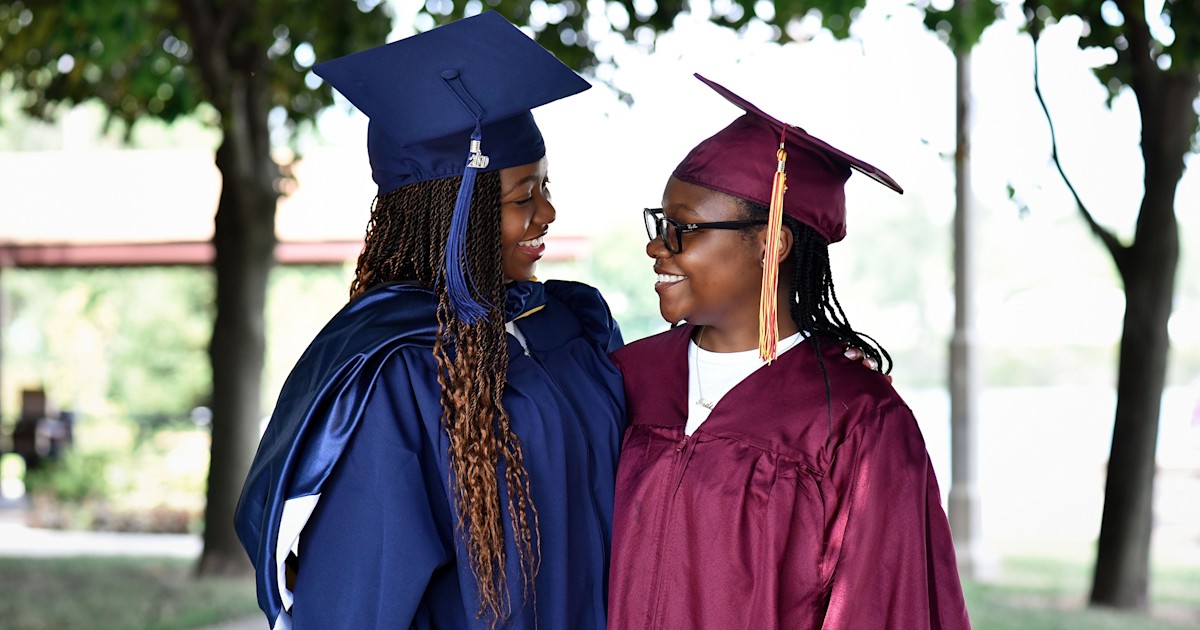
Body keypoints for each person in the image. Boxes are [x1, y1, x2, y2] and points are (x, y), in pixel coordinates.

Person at [233, 13, 624, 629]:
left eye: (546, 187)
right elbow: (359, 591)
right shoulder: (400, 369)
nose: (547, 212)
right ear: (456, 213)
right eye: (524, 196)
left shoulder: (569, 326)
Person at [607, 74, 970, 629]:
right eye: (660, 224)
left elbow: (883, 607)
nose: (657, 247)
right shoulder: (628, 377)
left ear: (770, 242)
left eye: (683, 228)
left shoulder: (856, 419)